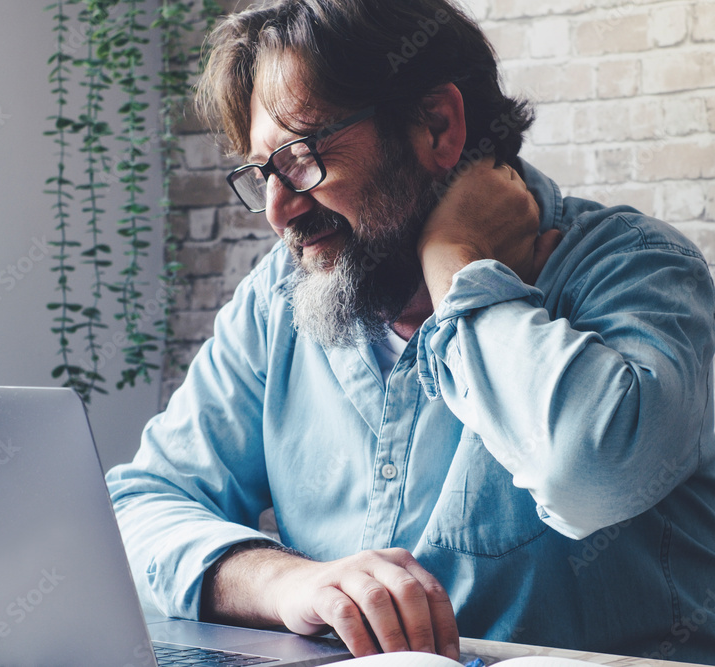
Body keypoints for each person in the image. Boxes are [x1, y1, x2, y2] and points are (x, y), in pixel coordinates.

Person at [106, 0, 715, 663]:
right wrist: (289, 581)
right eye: (264, 174)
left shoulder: (638, 270)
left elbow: (588, 474)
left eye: (302, 156)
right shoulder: (277, 300)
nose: (278, 211)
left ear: (436, 124)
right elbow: (134, 506)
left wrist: (458, 265)